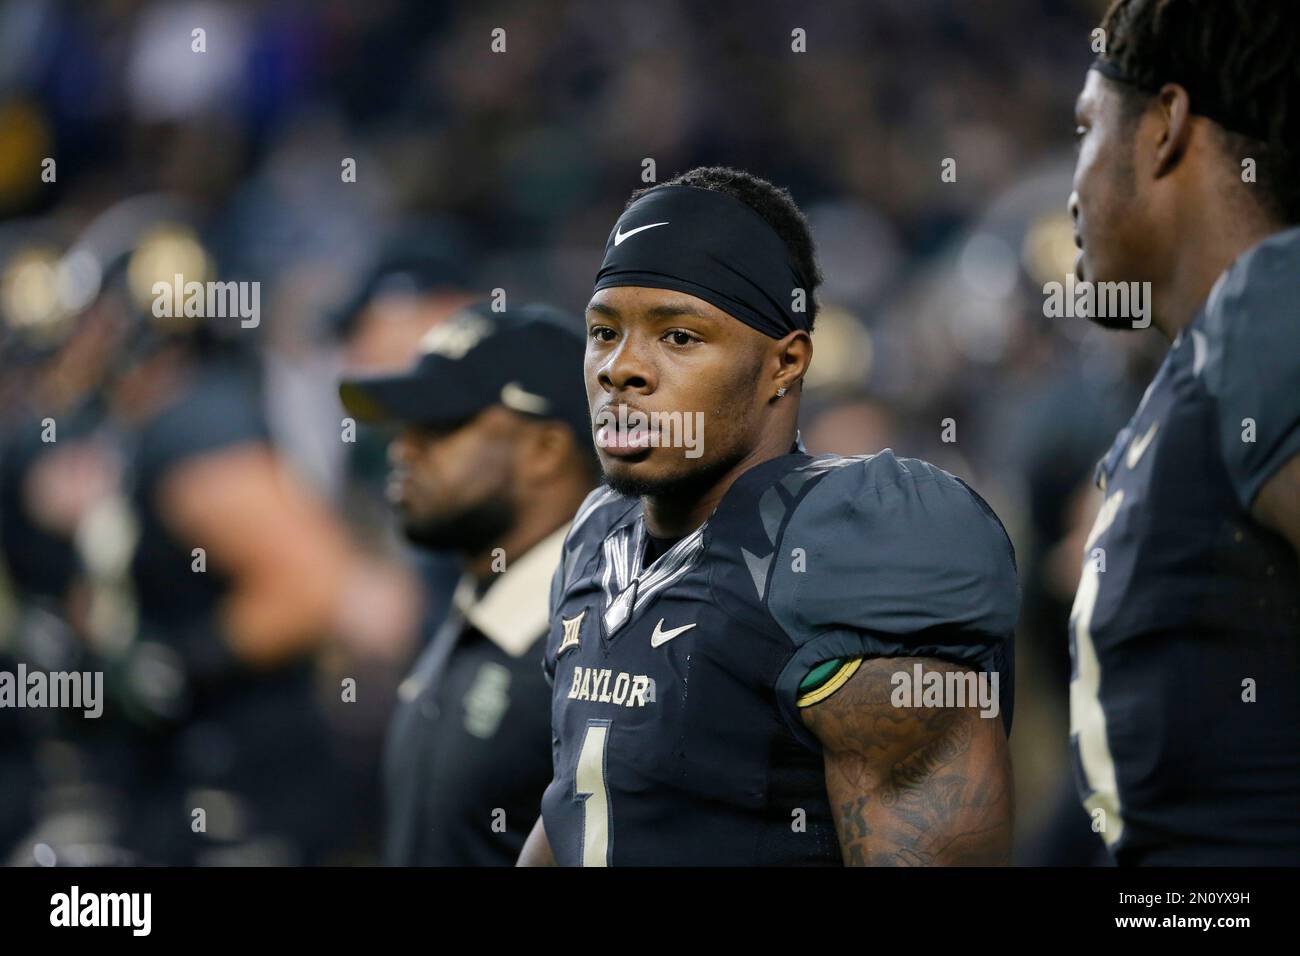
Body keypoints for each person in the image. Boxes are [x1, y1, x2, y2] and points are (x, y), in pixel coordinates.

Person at [517, 167, 1020, 866]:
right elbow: (582, 812)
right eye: (604, 331)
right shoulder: (597, 542)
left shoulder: (850, 550)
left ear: (785, 362)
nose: (620, 368)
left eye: (679, 336)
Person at [1066, 0, 1300, 864]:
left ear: (1164, 124)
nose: (1071, 185)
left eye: (1085, 128)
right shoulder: (1210, 362)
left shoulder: (1272, 303)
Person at [339, 302, 596, 865]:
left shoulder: (594, 647)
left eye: (441, 425)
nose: (403, 448)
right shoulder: (476, 609)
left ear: (544, 450)